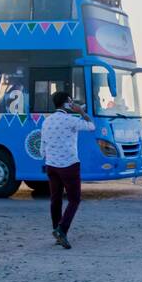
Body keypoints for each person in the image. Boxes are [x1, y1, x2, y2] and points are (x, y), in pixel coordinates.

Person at [39, 90, 95, 249]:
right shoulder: (71, 120)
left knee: (55, 200)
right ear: (66, 103)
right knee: (74, 199)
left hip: (51, 165)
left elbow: (42, 148)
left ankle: (57, 232)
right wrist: (81, 111)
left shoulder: (46, 121)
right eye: (71, 101)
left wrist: (50, 157)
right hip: (69, 165)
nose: (72, 103)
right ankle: (62, 230)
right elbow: (91, 126)